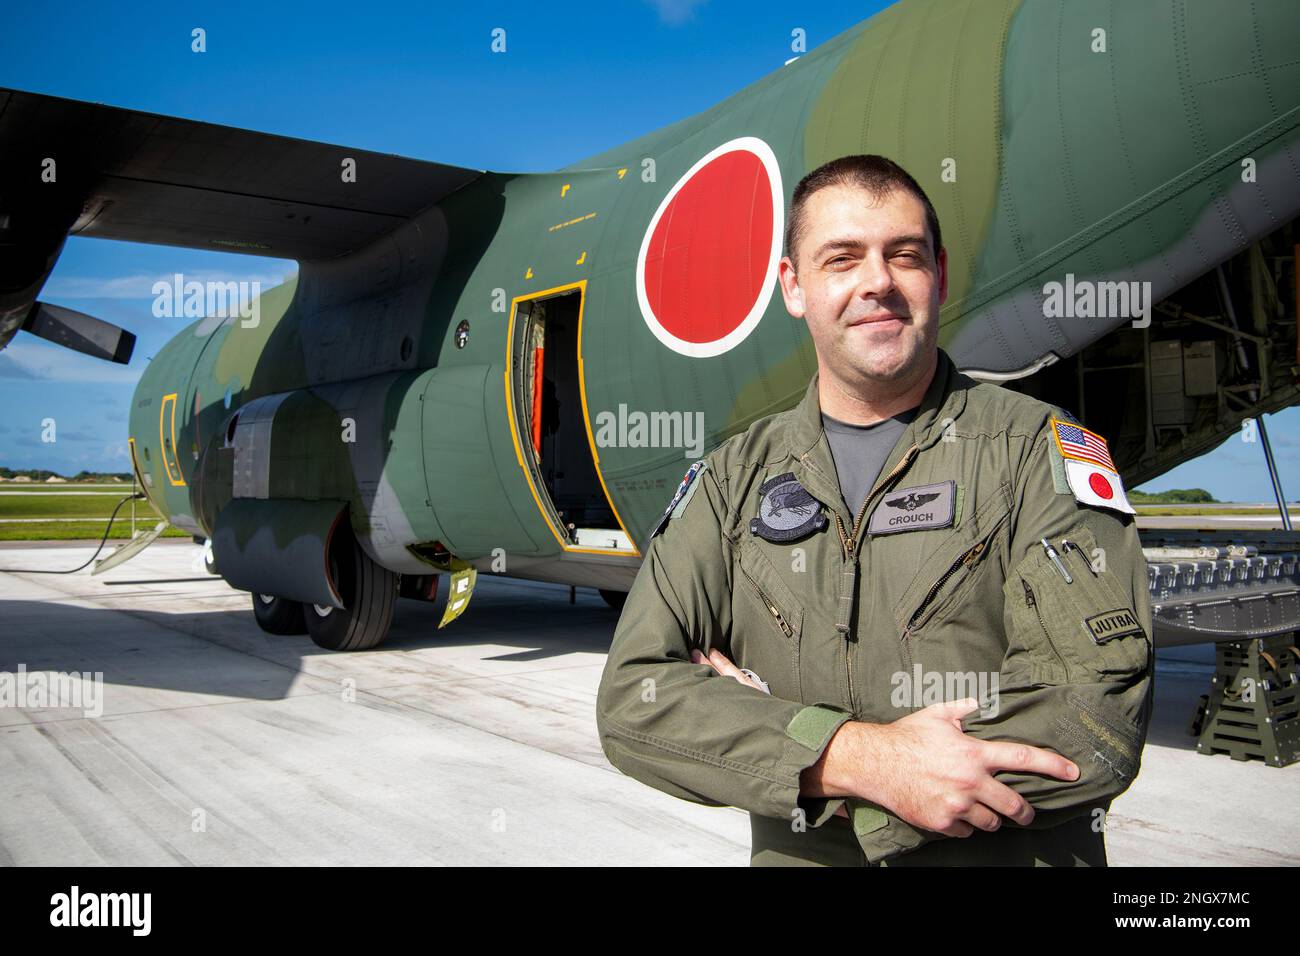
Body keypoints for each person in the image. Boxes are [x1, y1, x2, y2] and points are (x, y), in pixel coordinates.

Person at [596, 154, 1154, 866]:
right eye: (842, 258)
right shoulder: (733, 479)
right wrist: (862, 759)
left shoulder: (1034, 453)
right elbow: (635, 700)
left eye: (904, 256)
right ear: (795, 288)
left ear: (939, 276)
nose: (878, 282)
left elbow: (1095, 715)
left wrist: (780, 741)